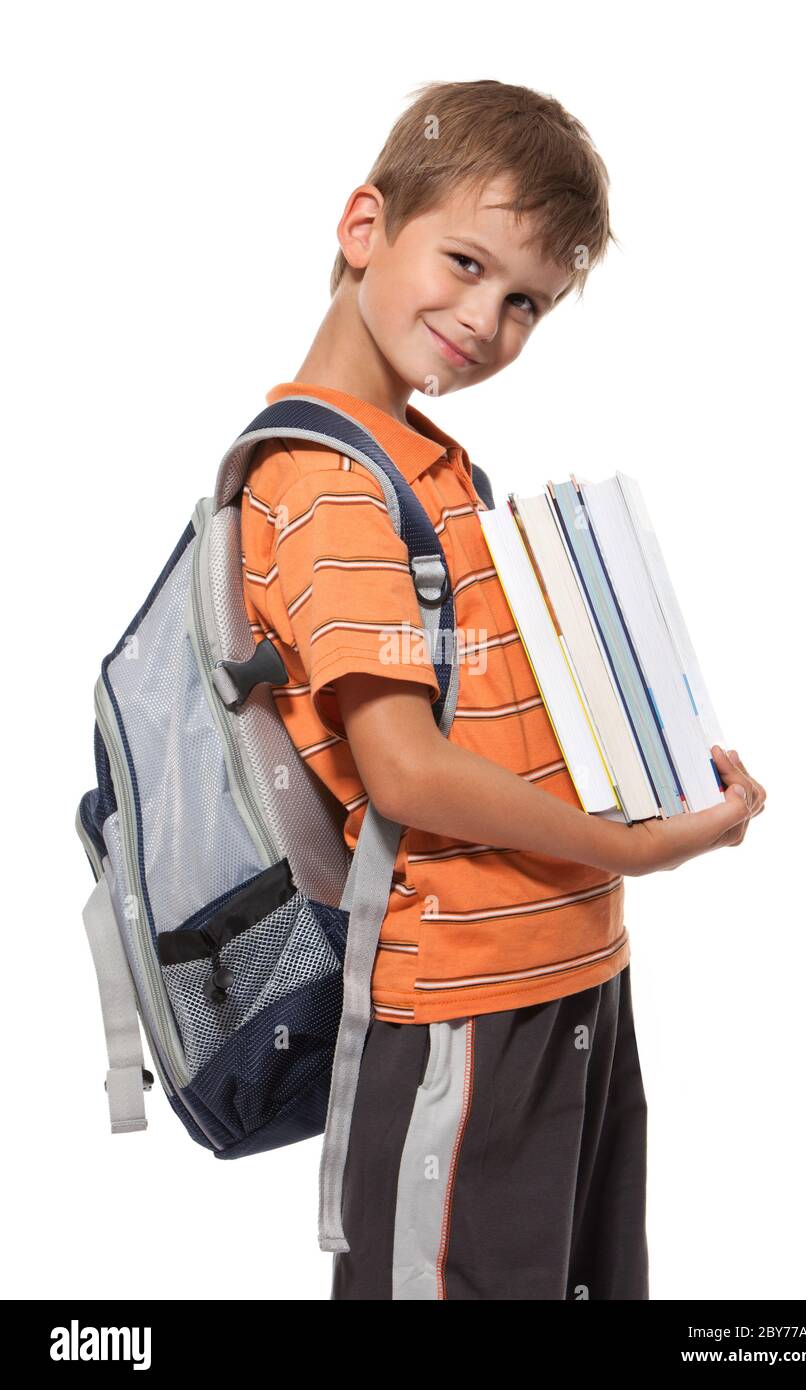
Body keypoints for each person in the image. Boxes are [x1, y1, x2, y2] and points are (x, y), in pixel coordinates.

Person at [240, 78, 767, 1301]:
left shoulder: (423, 459)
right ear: (363, 226)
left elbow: (478, 718)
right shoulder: (326, 480)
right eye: (465, 262)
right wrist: (631, 852)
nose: (485, 318)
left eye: (523, 299)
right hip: (457, 1014)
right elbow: (406, 772)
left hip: (561, 971)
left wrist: (649, 793)